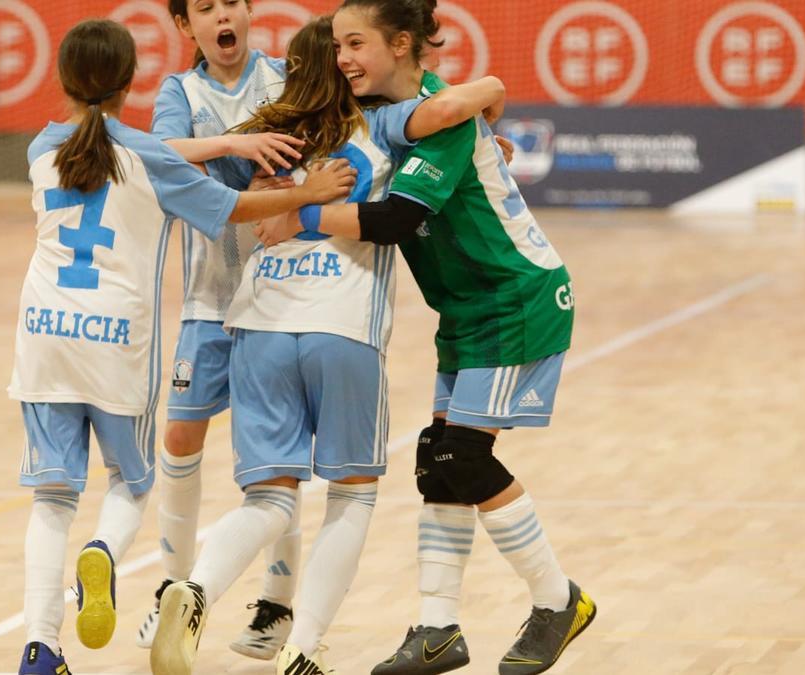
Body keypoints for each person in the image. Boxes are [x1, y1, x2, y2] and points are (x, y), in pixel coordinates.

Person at [148, 15, 511, 675]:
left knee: (269, 498)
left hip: (254, 323)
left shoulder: (264, 141)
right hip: (340, 325)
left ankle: (195, 585)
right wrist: (492, 114)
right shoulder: (382, 123)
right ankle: (301, 647)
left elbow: (172, 169)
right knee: (352, 494)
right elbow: (453, 106)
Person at [256, 2, 597, 674]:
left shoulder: (443, 117)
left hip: (515, 299)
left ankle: (559, 600)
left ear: (403, 43)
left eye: (356, 43)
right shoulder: (392, 111)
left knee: (463, 458)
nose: (343, 57)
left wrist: (297, 214)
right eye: (336, 45)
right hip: (467, 309)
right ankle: (438, 627)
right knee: (436, 457)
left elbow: (394, 218)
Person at [8, 19, 355, 675]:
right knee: (133, 482)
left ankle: (40, 644)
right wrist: (308, 191)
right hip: (115, 337)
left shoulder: (39, 147)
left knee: (51, 499)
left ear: (61, 81)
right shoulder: (149, 154)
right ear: (130, 81)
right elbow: (228, 206)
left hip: (41, 334)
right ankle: (107, 553)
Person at [137, 0, 310, 658]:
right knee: (180, 432)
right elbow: (160, 155)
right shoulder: (180, 90)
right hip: (209, 300)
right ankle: (174, 589)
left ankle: (277, 601)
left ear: (247, 12)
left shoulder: (284, 80)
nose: (220, 16)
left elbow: (325, 146)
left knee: (274, 461)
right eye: (204, 9)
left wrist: (286, 177)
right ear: (187, 27)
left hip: (282, 297)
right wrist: (234, 145)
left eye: (229, 3)